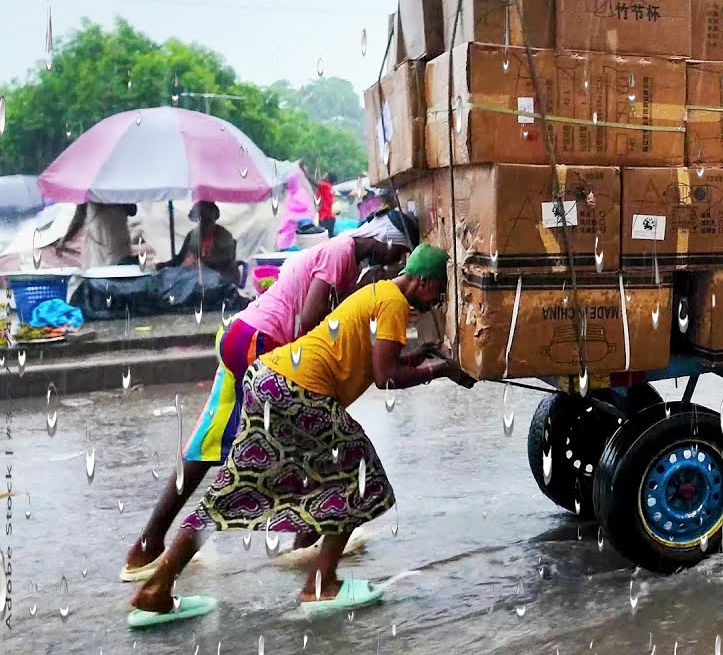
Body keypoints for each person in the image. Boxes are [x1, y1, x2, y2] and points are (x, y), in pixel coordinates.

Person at [126, 245, 471, 627]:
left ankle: (157, 589)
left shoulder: (377, 291)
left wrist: (418, 357)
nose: (438, 299)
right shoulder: (392, 303)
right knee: (362, 480)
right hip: (298, 391)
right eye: (438, 290)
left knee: (234, 489)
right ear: (422, 281)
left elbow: (372, 360)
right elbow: (385, 377)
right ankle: (320, 582)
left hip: (268, 379)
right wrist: (440, 372)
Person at [121, 210, 421, 581]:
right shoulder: (340, 252)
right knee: (284, 449)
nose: (398, 265)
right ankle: (305, 538)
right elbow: (312, 325)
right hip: (260, 345)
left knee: (209, 445)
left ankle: (148, 545)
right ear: (390, 241)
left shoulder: (348, 259)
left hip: (242, 335)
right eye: (400, 255)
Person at [158, 201, 239, 284]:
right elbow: (181, 257)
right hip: (196, 277)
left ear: (213, 219)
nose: (205, 224)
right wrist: (165, 265)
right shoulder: (193, 235)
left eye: (208, 220)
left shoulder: (223, 234)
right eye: (202, 220)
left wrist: (201, 260)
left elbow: (227, 258)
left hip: (222, 277)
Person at [55, 202, 138, 267]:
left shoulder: (93, 189)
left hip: (113, 242)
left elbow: (79, 218)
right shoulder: (92, 189)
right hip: (100, 243)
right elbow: (132, 210)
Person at [317, 173, 337, 237]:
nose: (323, 176)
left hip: (325, 217)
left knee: (324, 238)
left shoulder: (325, 186)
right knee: (329, 237)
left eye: (325, 175)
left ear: (328, 178)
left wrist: (305, 174)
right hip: (329, 217)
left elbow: (315, 183)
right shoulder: (329, 187)